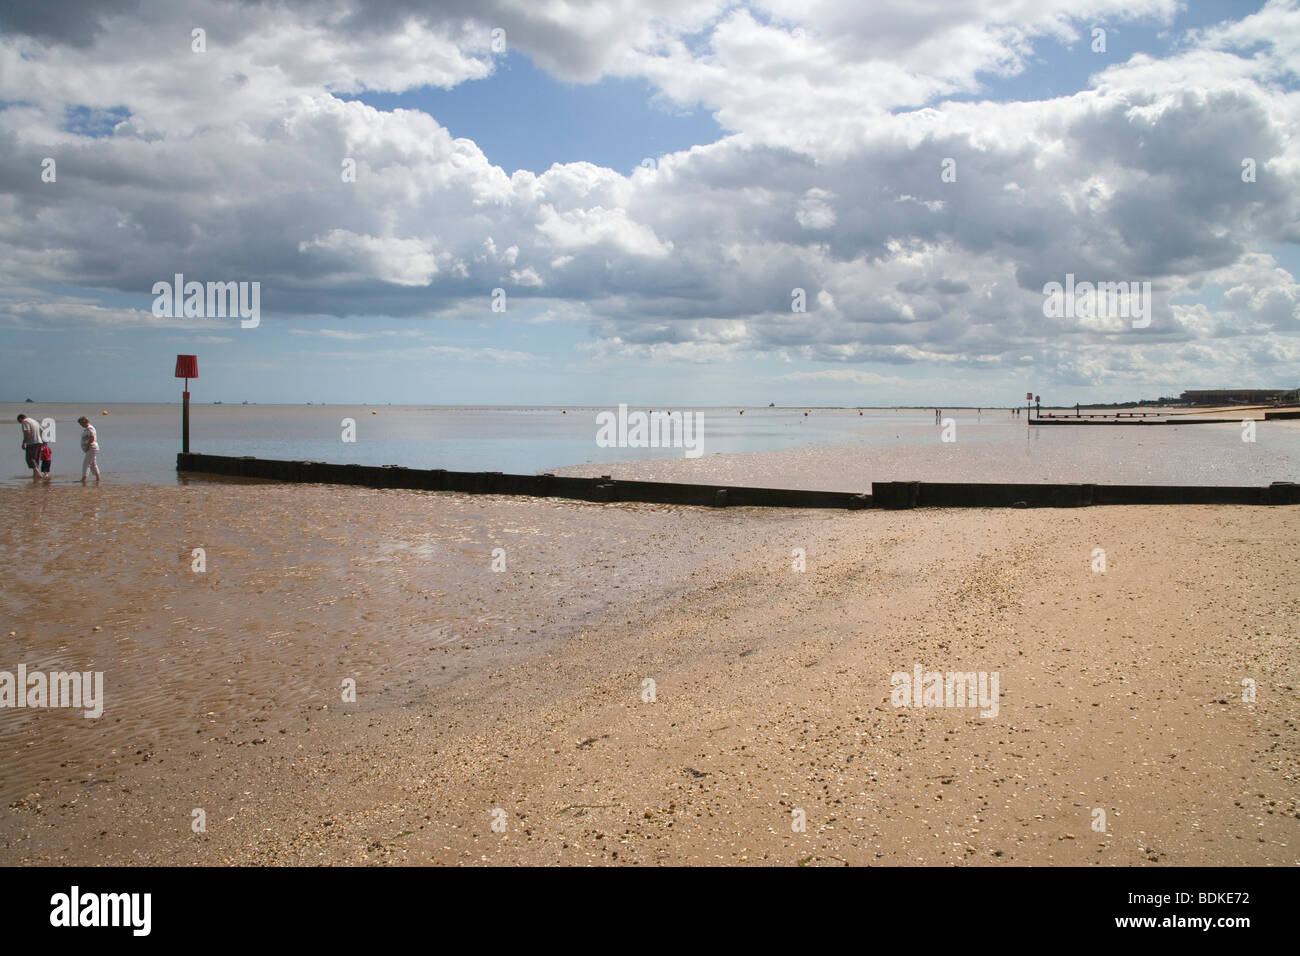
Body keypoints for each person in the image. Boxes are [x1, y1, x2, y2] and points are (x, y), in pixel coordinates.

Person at [17, 413, 45, 479]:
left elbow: (27, 432)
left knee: (29, 458)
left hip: (32, 442)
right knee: (36, 459)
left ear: (21, 419)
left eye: (19, 422)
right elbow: (42, 431)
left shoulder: (25, 421)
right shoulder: (34, 421)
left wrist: (24, 442)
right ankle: (35, 475)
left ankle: (38, 474)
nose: (20, 423)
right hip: (39, 442)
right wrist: (42, 440)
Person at [78, 416, 101, 482]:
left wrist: (87, 446)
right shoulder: (87, 429)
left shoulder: (90, 429)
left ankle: (84, 478)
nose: (81, 425)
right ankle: (97, 478)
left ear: (85, 422)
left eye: (81, 423)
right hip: (91, 448)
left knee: (86, 463)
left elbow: (92, 438)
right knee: (93, 463)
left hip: (92, 448)